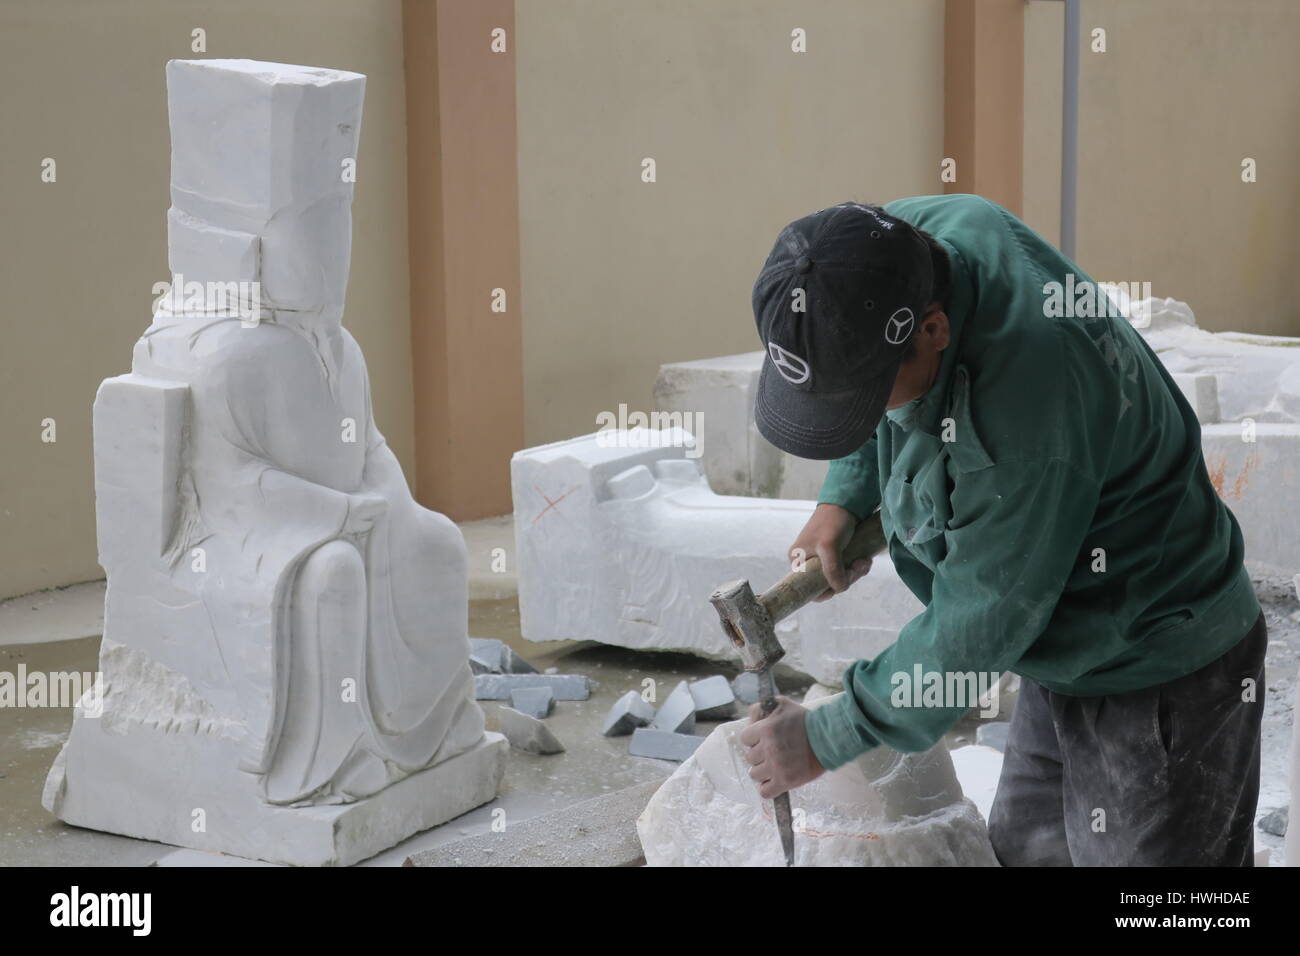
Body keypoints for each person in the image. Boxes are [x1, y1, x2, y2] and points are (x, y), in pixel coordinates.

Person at [740, 194, 1265, 866]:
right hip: (1061, 643)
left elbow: (976, 625)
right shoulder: (892, 250)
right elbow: (865, 357)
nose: (862, 415)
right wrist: (844, 497)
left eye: (863, 402)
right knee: (1028, 851)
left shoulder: (1030, 406)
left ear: (933, 329)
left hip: (1159, 660)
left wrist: (822, 737)